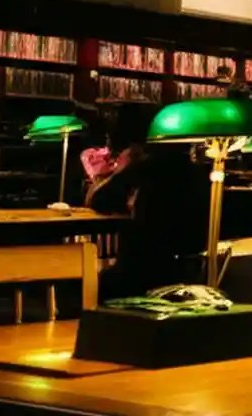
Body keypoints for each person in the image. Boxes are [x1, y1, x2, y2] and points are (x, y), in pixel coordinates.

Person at [86, 105, 211, 298]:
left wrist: (123, 167)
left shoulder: (145, 168)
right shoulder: (196, 172)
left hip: (143, 272)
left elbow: (98, 200)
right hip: (189, 271)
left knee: (93, 284)